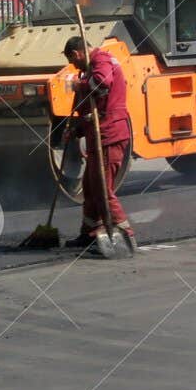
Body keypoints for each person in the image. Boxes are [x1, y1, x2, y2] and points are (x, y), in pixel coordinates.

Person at [63, 35, 135, 253]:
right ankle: (90, 232)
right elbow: (90, 108)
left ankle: (125, 233)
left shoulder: (101, 61)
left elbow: (102, 84)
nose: (73, 65)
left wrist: (79, 85)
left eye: (72, 60)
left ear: (77, 54)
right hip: (98, 134)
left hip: (109, 134)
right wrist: (76, 129)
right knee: (90, 186)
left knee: (103, 188)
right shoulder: (90, 69)